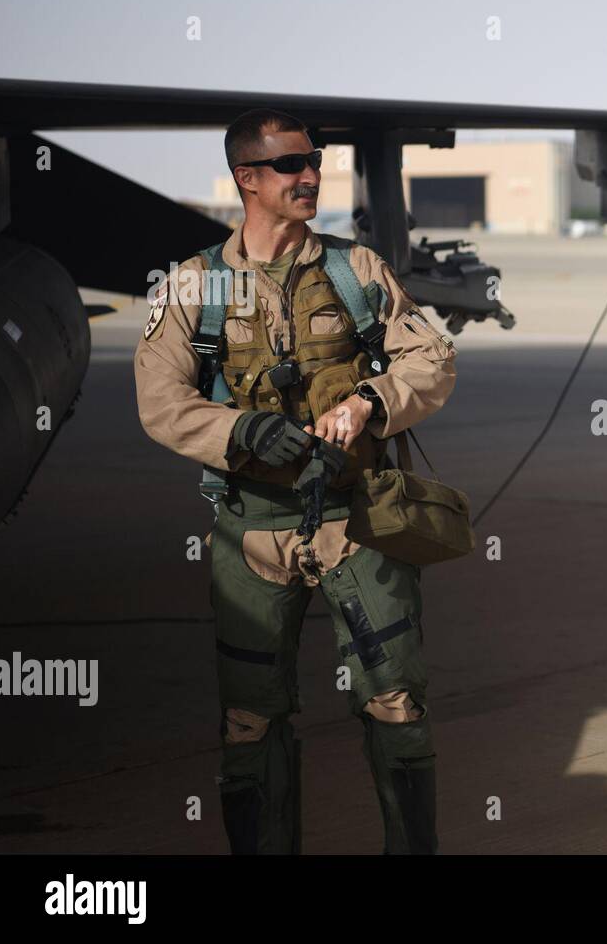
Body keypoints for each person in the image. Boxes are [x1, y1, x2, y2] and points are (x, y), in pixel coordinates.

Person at [134, 107, 458, 854]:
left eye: (313, 161)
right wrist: (238, 431)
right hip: (251, 528)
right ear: (247, 178)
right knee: (250, 720)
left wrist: (370, 402)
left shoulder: (356, 271)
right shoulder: (193, 287)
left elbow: (431, 360)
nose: (310, 175)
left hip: (359, 523)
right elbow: (160, 401)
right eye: (290, 165)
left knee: (397, 705)